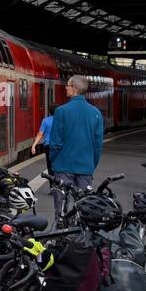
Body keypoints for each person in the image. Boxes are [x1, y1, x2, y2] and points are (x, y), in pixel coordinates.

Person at [48, 74, 104, 216]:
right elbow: (98, 145)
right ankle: (80, 236)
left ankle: (61, 235)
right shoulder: (96, 113)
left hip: (63, 167)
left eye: (67, 85)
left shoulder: (61, 111)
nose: (66, 88)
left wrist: (54, 161)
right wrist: (91, 164)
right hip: (85, 167)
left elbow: (55, 143)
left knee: (61, 210)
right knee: (84, 209)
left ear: (74, 88)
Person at [32, 105, 55, 173]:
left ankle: (52, 182)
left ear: (49, 112)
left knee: (49, 165)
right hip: (59, 146)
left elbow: (40, 134)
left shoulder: (45, 120)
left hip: (48, 146)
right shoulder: (62, 120)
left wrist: (34, 145)